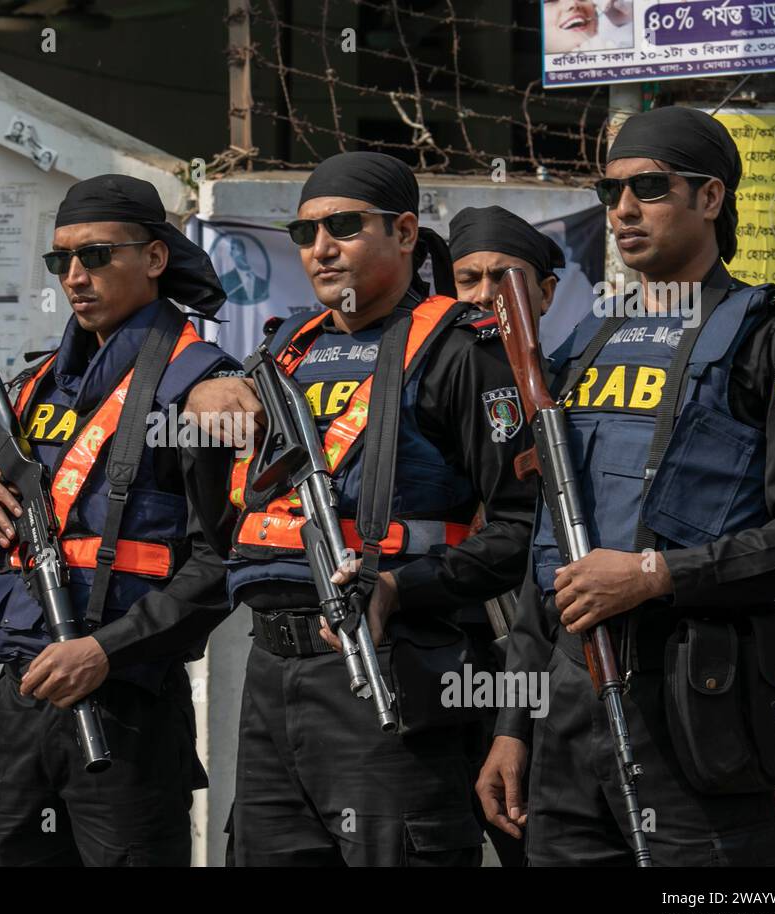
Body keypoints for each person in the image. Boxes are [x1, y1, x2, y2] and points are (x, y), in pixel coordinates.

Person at [477, 105, 775, 866]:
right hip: (568, 716)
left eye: (649, 187)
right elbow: (547, 554)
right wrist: (513, 723)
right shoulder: (587, 347)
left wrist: (654, 575)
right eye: (609, 191)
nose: (621, 210)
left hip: (695, 703)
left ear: (710, 199)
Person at [187, 152, 537, 866]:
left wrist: (398, 588)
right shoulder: (287, 347)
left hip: (394, 674)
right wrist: (199, 398)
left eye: (344, 228)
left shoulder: (462, 350)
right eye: (307, 232)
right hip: (272, 679)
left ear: (405, 233)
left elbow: (525, 530)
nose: (321, 248)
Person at [0, 174, 239, 867]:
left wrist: (107, 649)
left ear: (155, 258)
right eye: (62, 261)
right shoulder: (34, 385)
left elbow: (221, 566)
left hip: (126, 703)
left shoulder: (199, 386)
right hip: (24, 692)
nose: (76, 276)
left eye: (98, 255)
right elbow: (4, 547)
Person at [445, 203, 568, 868]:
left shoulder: (575, 383)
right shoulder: (429, 383)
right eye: (468, 280)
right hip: (443, 671)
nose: (486, 297)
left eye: (504, 278)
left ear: (545, 293)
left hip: (542, 673)